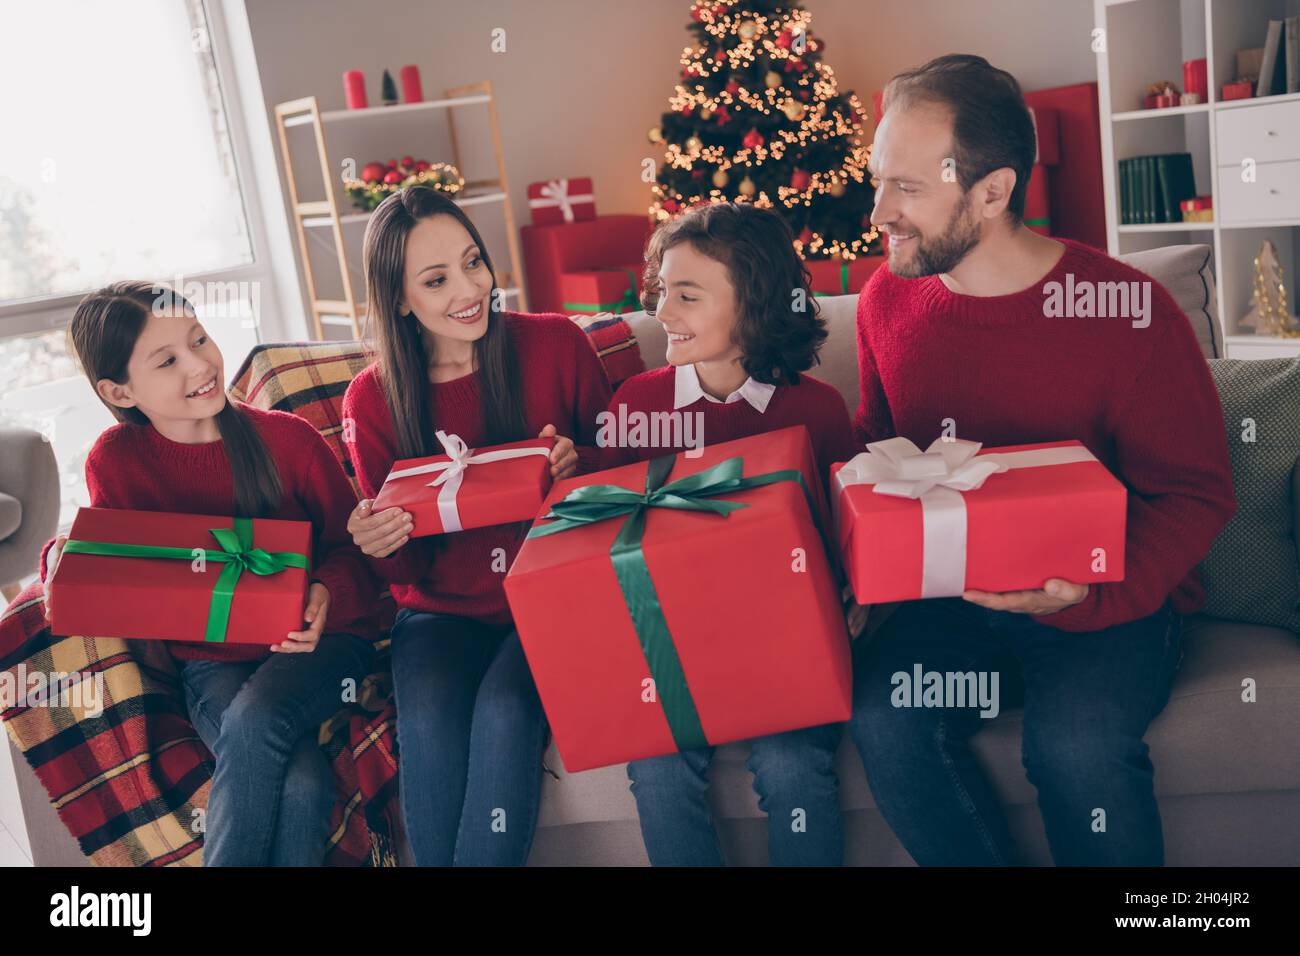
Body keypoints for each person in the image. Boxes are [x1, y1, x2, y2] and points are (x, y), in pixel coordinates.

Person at [850, 54, 1236, 865]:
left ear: (992, 192)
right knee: (887, 722)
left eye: (908, 188)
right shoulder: (887, 298)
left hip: (1103, 602)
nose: (879, 210)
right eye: (879, 179)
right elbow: (875, 449)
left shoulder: (1127, 313)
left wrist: (1087, 597)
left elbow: (1198, 494)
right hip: (949, 603)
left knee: (1076, 750)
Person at [42, 281, 378, 865]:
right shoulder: (116, 461)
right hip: (212, 661)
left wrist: (324, 591)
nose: (200, 365)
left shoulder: (287, 440)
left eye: (200, 339)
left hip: (320, 649)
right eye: (168, 360)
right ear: (119, 389)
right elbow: (122, 569)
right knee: (302, 786)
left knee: (255, 720)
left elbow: (355, 550)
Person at [342, 186, 611, 866]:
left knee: (504, 713)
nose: (470, 289)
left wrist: (580, 469)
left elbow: (623, 479)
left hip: (554, 595)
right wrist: (382, 544)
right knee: (428, 725)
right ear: (400, 300)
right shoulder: (373, 400)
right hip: (440, 612)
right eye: (436, 280)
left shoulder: (556, 343)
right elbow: (403, 574)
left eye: (473, 262)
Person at [606, 201, 864, 866]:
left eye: (686, 296)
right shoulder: (636, 405)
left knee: (791, 764)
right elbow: (607, 542)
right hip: (673, 645)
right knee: (658, 768)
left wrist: (862, 599)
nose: (662, 312)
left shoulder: (817, 410)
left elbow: (848, 542)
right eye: (661, 291)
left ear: (755, 304)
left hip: (787, 649)